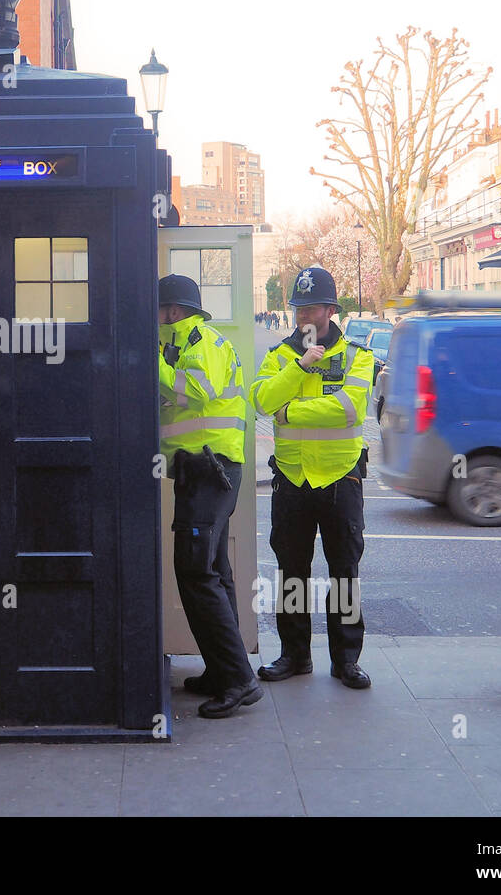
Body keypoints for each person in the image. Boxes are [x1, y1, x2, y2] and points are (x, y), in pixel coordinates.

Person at [249, 266, 375, 690]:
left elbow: (349, 409)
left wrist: (290, 412)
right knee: (292, 573)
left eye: (312, 308)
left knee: (344, 572)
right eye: (299, 308)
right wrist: (300, 368)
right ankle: (295, 656)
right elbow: (263, 401)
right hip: (291, 477)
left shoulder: (358, 355)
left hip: (341, 478)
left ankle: (346, 660)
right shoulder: (280, 355)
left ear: (330, 309)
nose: (304, 316)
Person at [158, 274, 261, 719]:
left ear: (173, 311)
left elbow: (195, 391)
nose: (155, 320)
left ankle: (238, 679)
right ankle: (223, 670)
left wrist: (149, 361)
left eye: (158, 311)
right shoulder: (187, 342)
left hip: (209, 470)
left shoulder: (200, 340)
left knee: (197, 573)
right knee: (213, 571)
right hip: (205, 470)